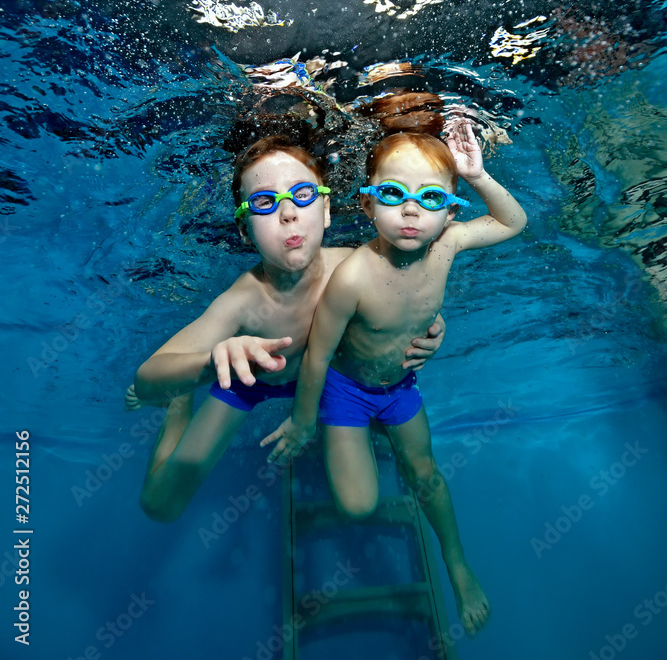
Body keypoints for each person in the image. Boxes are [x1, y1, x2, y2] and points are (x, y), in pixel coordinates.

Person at [262, 120, 527, 636]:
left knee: (427, 475)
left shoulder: (448, 244)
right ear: (367, 205)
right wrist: (302, 422)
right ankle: (357, 434)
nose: (410, 210)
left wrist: (476, 175)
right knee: (358, 505)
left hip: (399, 388)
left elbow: (513, 222)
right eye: (392, 194)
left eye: (430, 198)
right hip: (346, 391)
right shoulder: (353, 277)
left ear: (451, 211)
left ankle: (457, 565)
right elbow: (317, 356)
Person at [127, 134, 445, 523]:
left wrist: (433, 331)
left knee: (392, 441)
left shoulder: (356, 269)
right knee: (160, 505)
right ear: (245, 230)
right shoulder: (243, 300)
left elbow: (416, 297)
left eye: (303, 194)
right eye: (264, 202)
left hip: (331, 383)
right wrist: (211, 363)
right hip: (252, 379)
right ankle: (178, 404)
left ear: (326, 210)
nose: (288, 213)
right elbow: (146, 380)